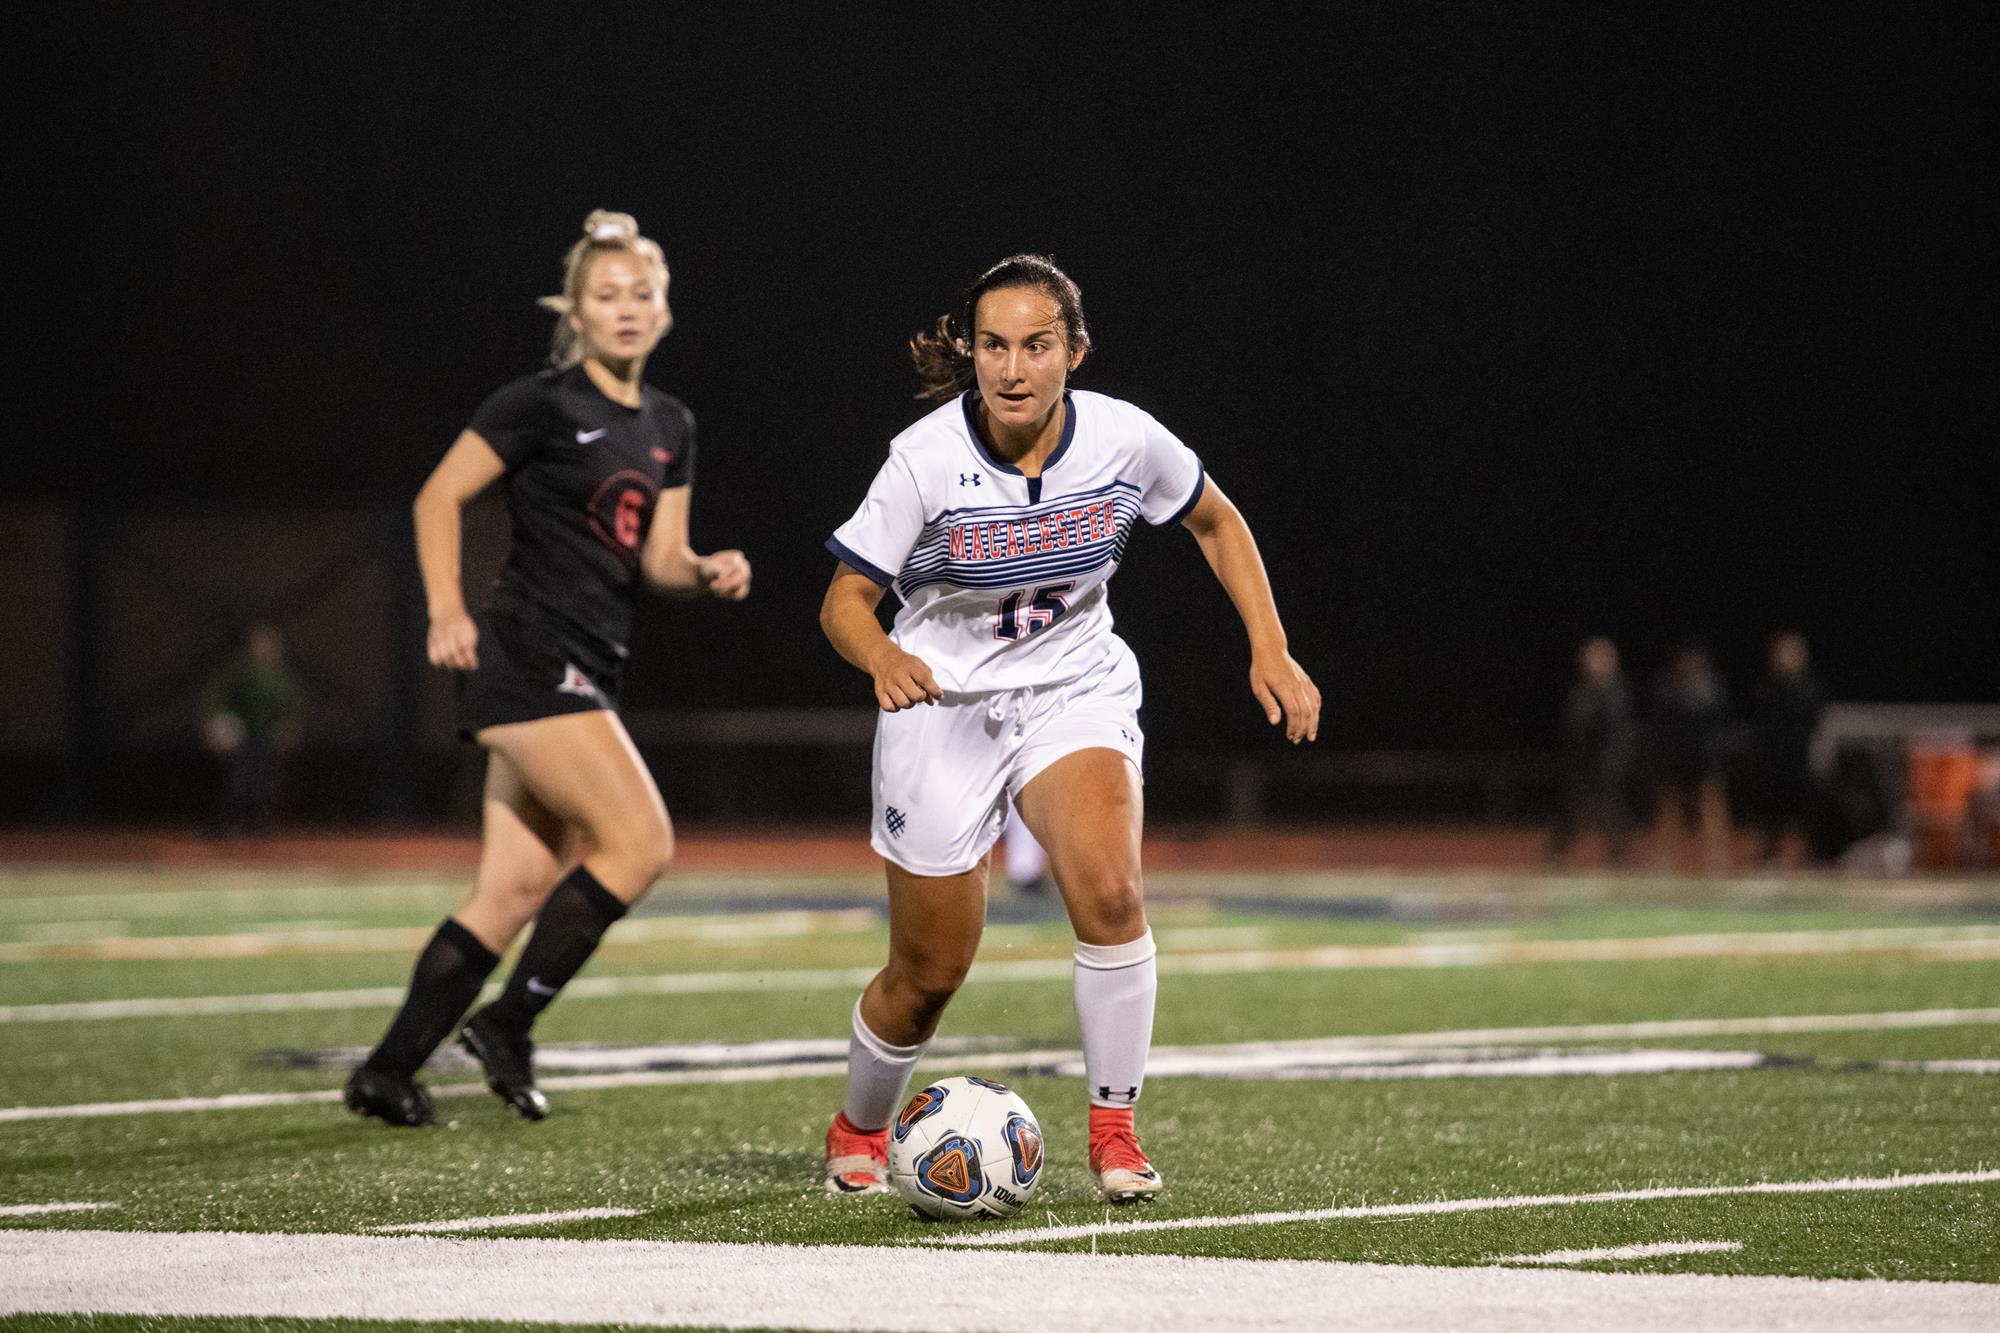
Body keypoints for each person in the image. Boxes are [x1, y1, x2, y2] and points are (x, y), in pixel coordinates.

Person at [817, 254, 1319, 1203]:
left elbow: (1216, 520)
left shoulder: (1125, 440)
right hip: (944, 708)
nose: (1013, 369)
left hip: (1072, 690)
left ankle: (1117, 1133)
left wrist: (1271, 645)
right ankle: (859, 1122)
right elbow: (844, 600)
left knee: (1114, 894)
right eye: (994, 346)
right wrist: (883, 656)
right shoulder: (923, 459)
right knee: (929, 971)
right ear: (971, 353)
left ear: (1074, 352)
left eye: (1036, 346)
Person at [344, 211, 751, 1128]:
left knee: (514, 890)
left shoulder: (670, 423)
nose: (627, 309)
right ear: (577, 310)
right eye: (607, 296)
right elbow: (438, 495)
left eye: (642, 293)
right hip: (529, 653)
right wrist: (446, 608)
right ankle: (510, 1023)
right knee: (641, 843)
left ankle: (387, 1069)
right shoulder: (537, 402)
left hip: (590, 663)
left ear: (665, 307)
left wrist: (706, 570)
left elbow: (660, 561)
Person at [199, 621, 305, 835]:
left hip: (268, 740)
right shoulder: (238, 674)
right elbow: (215, 699)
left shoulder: (281, 679)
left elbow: (292, 708)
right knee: (238, 781)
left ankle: (259, 825)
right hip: (243, 739)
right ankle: (224, 823)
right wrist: (213, 725)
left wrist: (290, 728)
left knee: (267, 783)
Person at [1547, 636, 1636, 865]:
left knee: (1612, 807)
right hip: (1580, 762)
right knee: (1570, 807)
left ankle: (1618, 854)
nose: (1593, 663)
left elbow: (1619, 732)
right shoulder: (1580, 693)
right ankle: (1559, 852)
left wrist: (1616, 761)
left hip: (1607, 761)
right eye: (1590, 658)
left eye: (1599, 658)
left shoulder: (1617, 693)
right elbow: (1572, 729)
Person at [1648, 642, 1732, 873]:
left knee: (1711, 805)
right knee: (1668, 806)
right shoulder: (1666, 686)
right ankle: (1665, 853)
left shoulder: (1713, 686)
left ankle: (1717, 854)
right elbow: (1661, 722)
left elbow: (1716, 719)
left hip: (1705, 758)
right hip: (1674, 757)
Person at [1750, 630, 1830, 867]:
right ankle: (1769, 857)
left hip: (1801, 762)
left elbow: (1816, 723)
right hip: (1772, 762)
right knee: (1771, 815)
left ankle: (1813, 858)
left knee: (1809, 815)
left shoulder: (1811, 688)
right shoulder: (1764, 688)